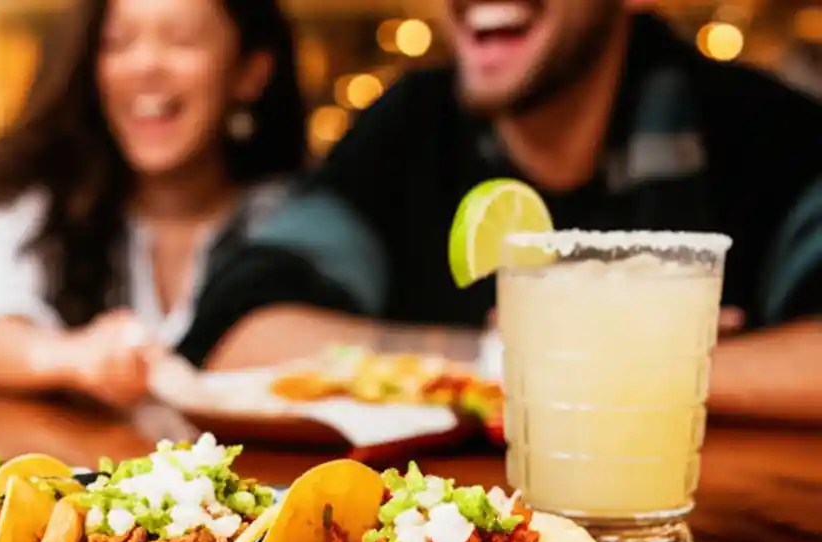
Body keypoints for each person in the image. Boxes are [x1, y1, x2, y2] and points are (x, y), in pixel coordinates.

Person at [180, 1, 822, 423]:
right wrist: (520, 355)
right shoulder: (408, 129)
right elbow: (239, 337)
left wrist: (606, 359)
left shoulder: (766, 131)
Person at [0, 0, 306, 408]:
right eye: (117, 42)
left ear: (251, 72)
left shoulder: (298, 222)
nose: (145, 64)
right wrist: (76, 357)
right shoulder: (42, 211)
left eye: (182, 40)